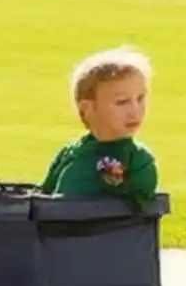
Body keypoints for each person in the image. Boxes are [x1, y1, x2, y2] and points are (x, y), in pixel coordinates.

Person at [39, 46, 159, 207]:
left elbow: (142, 201)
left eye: (140, 99)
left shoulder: (137, 159)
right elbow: (44, 195)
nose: (134, 110)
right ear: (88, 109)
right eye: (122, 102)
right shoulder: (72, 152)